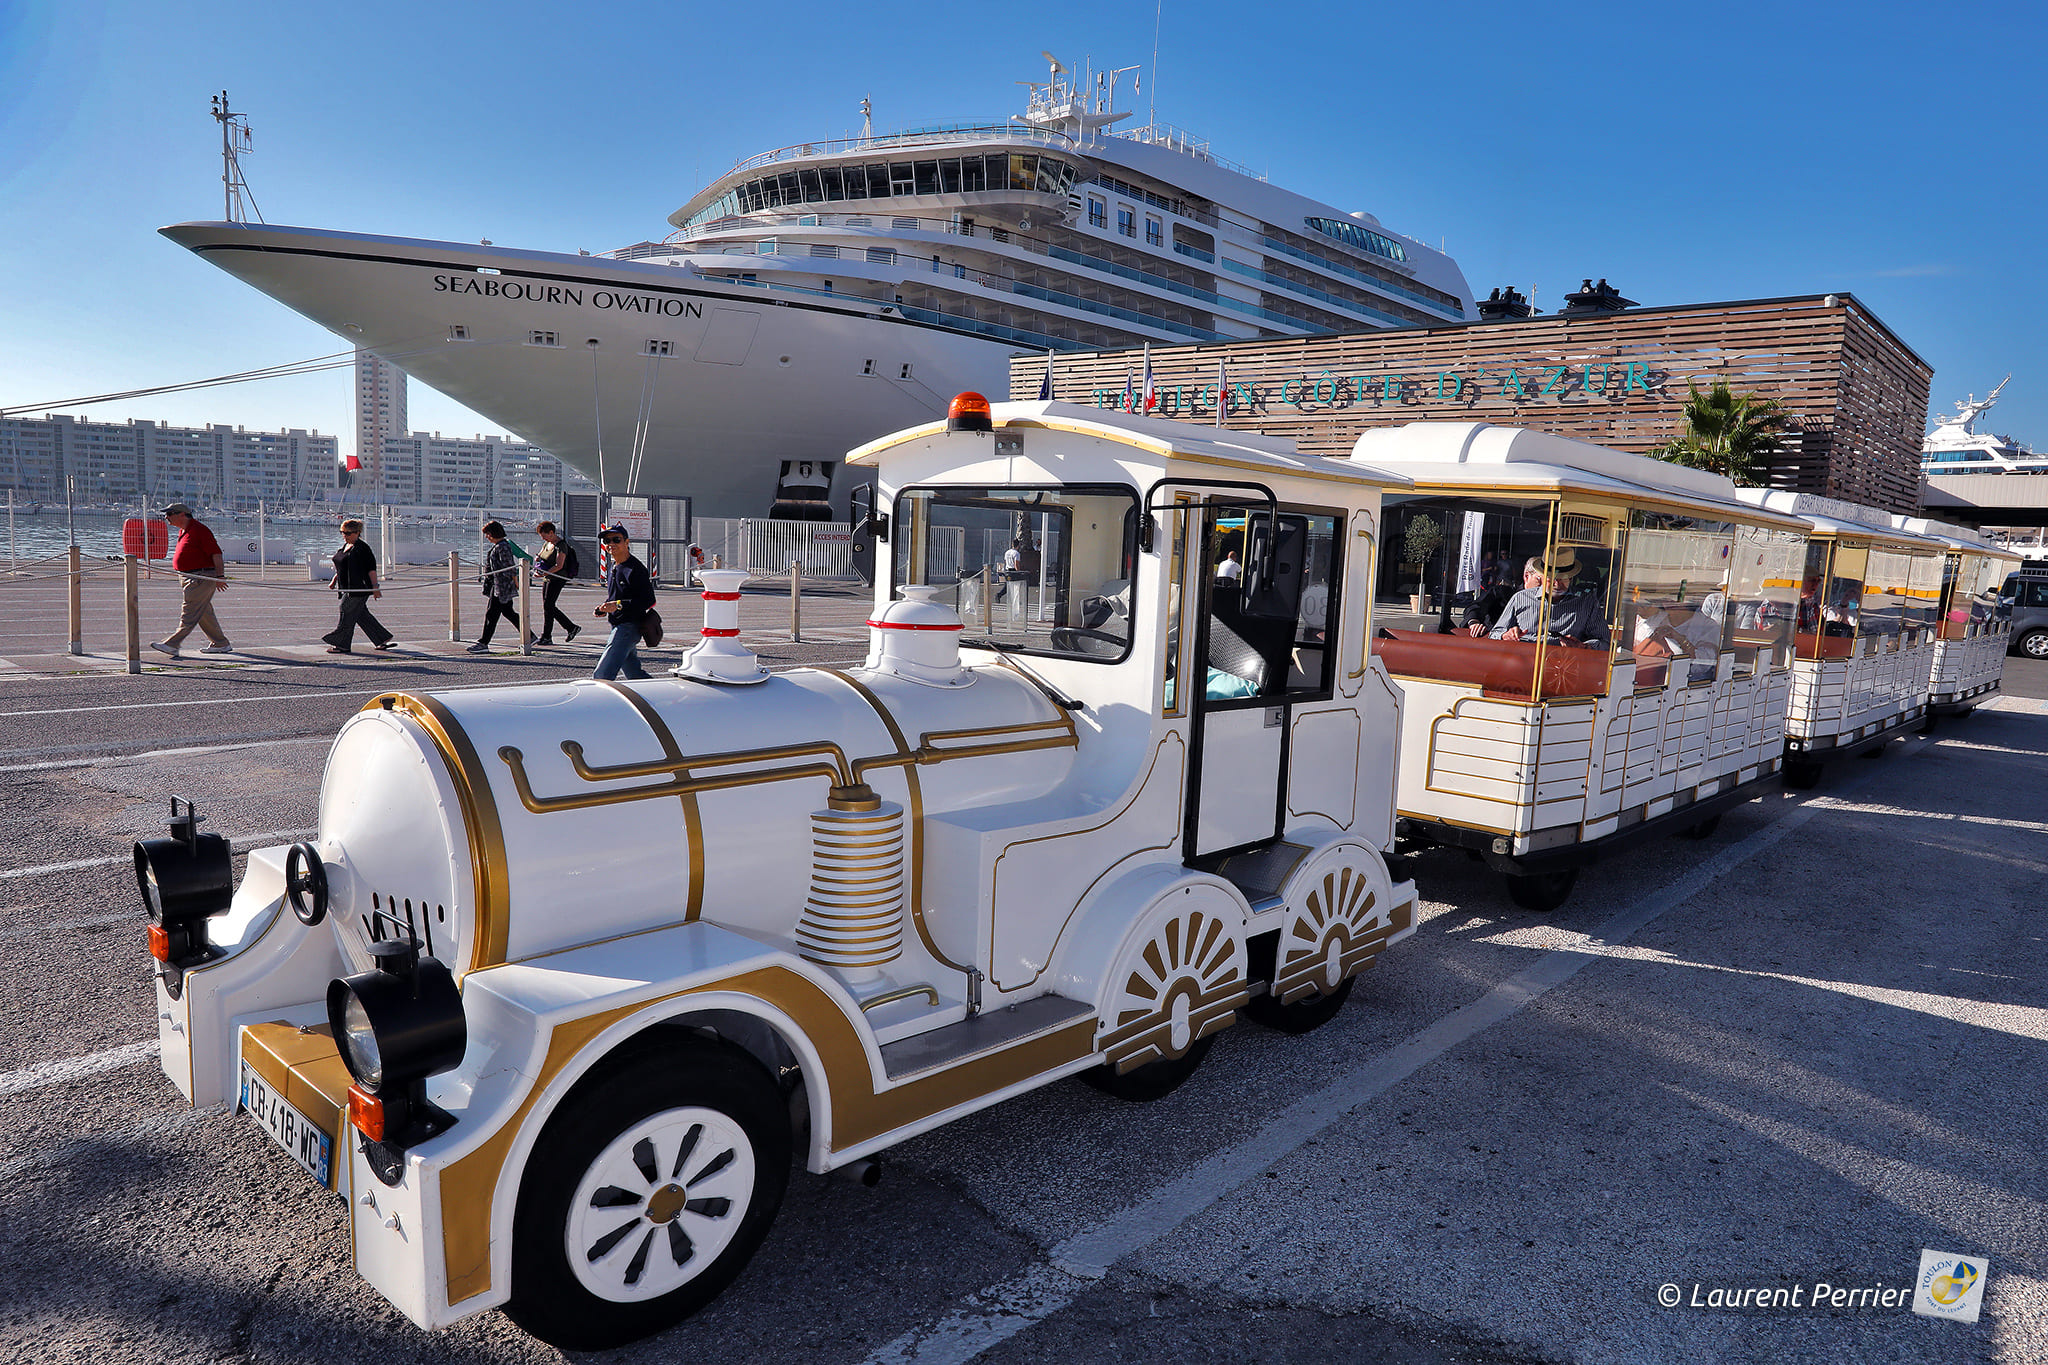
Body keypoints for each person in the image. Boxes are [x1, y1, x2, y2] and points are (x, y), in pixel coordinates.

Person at [150, 502, 232, 658]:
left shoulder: (199, 530)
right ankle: (221, 643)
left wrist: (220, 576)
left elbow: (216, 554)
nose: (166, 517)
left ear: (182, 514)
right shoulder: (184, 530)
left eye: (170, 513)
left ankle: (172, 644)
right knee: (203, 613)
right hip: (189, 577)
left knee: (189, 612)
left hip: (200, 577)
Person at [1489, 549, 1609, 647]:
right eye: (1551, 579)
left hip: (1565, 666)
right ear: (1542, 576)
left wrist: (1584, 646)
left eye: (1563, 579)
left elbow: (1605, 642)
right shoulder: (1520, 598)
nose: (1556, 584)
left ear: (1571, 578)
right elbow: (1495, 633)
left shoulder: (1586, 602)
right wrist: (1506, 635)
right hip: (1524, 663)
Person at [322, 519, 396, 654]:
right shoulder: (345, 546)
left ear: (357, 533)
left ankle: (342, 643)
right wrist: (334, 581)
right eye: (342, 532)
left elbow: (371, 569)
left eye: (348, 533)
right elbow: (341, 567)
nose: (344, 536)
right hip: (348, 588)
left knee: (346, 609)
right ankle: (381, 638)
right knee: (361, 614)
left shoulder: (363, 549)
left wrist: (375, 588)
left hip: (359, 588)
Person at [593, 524, 655, 681]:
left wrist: (618, 605)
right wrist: (604, 607)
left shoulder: (635, 568)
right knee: (635, 675)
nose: (611, 544)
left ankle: (598, 704)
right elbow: (617, 596)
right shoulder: (614, 567)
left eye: (616, 540)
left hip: (629, 627)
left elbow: (648, 600)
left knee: (602, 675)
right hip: (618, 623)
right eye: (607, 541)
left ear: (627, 542)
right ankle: (658, 696)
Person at [468, 520, 521, 653]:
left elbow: (509, 566)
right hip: (498, 584)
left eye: (488, 534)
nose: (487, 537)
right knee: (508, 612)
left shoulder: (502, 546)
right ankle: (530, 635)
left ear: (493, 533)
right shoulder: (500, 545)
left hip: (500, 585)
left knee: (492, 614)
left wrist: (515, 582)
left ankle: (483, 642)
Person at [532, 520, 582, 645]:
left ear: (551, 532)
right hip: (548, 577)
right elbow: (541, 556)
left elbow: (559, 565)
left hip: (557, 578)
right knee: (548, 606)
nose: (543, 538)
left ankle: (564, 629)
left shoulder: (561, 545)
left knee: (549, 606)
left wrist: (545, 573)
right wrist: (537, 560)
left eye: (544, 535)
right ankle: (554, 633)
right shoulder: (546, 544)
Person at [1464, 562, 1542, 635]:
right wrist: (1474, 622)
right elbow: (1476, 606)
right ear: (1527, 576)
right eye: (1539, 579)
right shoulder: (1501, 593)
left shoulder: (1550, 601)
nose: (1544, 584)